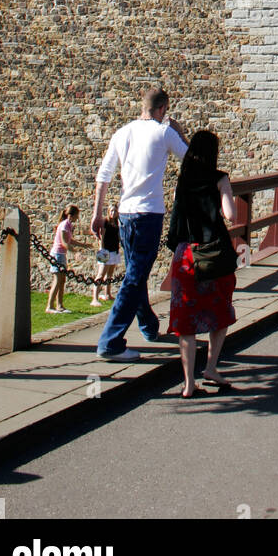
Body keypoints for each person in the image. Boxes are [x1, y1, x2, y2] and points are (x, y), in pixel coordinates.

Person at [91, 87, 187, 361]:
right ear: (163, 110)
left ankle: (148, 326)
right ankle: (110, 341)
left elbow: (104, 175)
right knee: (134, 277)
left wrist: (98, 213)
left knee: (137, 272)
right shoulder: (164, 132)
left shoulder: (122, 133)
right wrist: (180, 133)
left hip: (126, 214)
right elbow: (191, 160)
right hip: (149, 214)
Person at [166, 129, 238, 399]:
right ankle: (210, 367)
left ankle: (188, 384)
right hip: (213, 254)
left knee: (185, 320)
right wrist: (225, 197)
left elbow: (176, 218)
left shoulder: (182, 180)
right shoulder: (220, 178)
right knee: (220, 311)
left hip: (186, 254)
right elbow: (231, 215)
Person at [46, 205, 88, 313]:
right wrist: (75, 253)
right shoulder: (64, 225)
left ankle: (59, 305)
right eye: (77, 215)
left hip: (61, 255)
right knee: (57, 280)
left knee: (62, 280)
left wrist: (83, 245)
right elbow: (64, 243)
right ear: (71, 215)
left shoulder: (68, 225)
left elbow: (70, 240)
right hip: (57, 254)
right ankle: (50, 306)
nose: (77, 218)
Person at [91, 204, 121, 307]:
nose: (113, 213)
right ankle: (94, 298)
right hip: (105, 250)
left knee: (110, 274)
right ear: (108, 211)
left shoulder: (117, 222)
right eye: (111, 211)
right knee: (100, 274)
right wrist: (102, 250)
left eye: (115, 211)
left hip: (114, 250)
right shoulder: (105, 222)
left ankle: (107, 294)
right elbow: (102, 237)